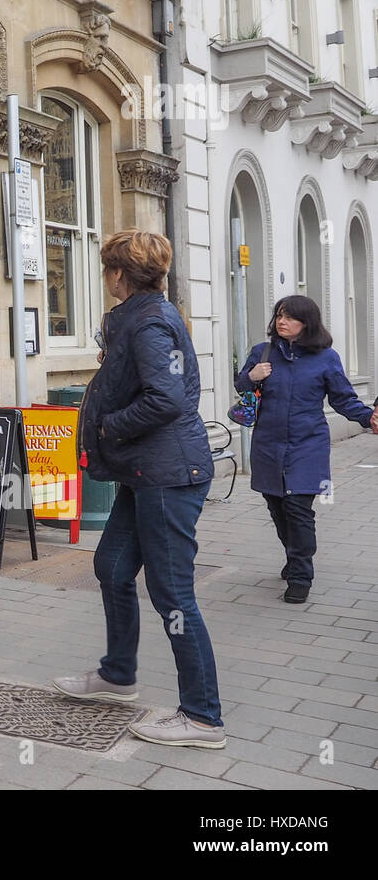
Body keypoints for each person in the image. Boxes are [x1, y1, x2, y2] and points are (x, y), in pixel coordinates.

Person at [52, 229, 226, 748]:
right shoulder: (141, 315)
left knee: (172, 593)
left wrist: (108, 427)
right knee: (111, 567)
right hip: (145, 470)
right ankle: (117, 673)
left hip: (169, 474)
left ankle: (202, 716)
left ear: (119, 274)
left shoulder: (149, 321)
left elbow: (167, 400)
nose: (105, 275)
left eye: (107, 267)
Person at [235, 295, 378, 604]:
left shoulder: (326, 358)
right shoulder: (263, 352)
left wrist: (368, 418)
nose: (280, 321)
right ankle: (293, 554)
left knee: (298, 508)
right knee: (277, 507)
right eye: (278, 316)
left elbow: (343, 398)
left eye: (289, 317)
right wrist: (251, 376)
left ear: (307, 323)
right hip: (268, 444)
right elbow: (241, 386)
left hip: (307, 444)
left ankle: (301, 574)